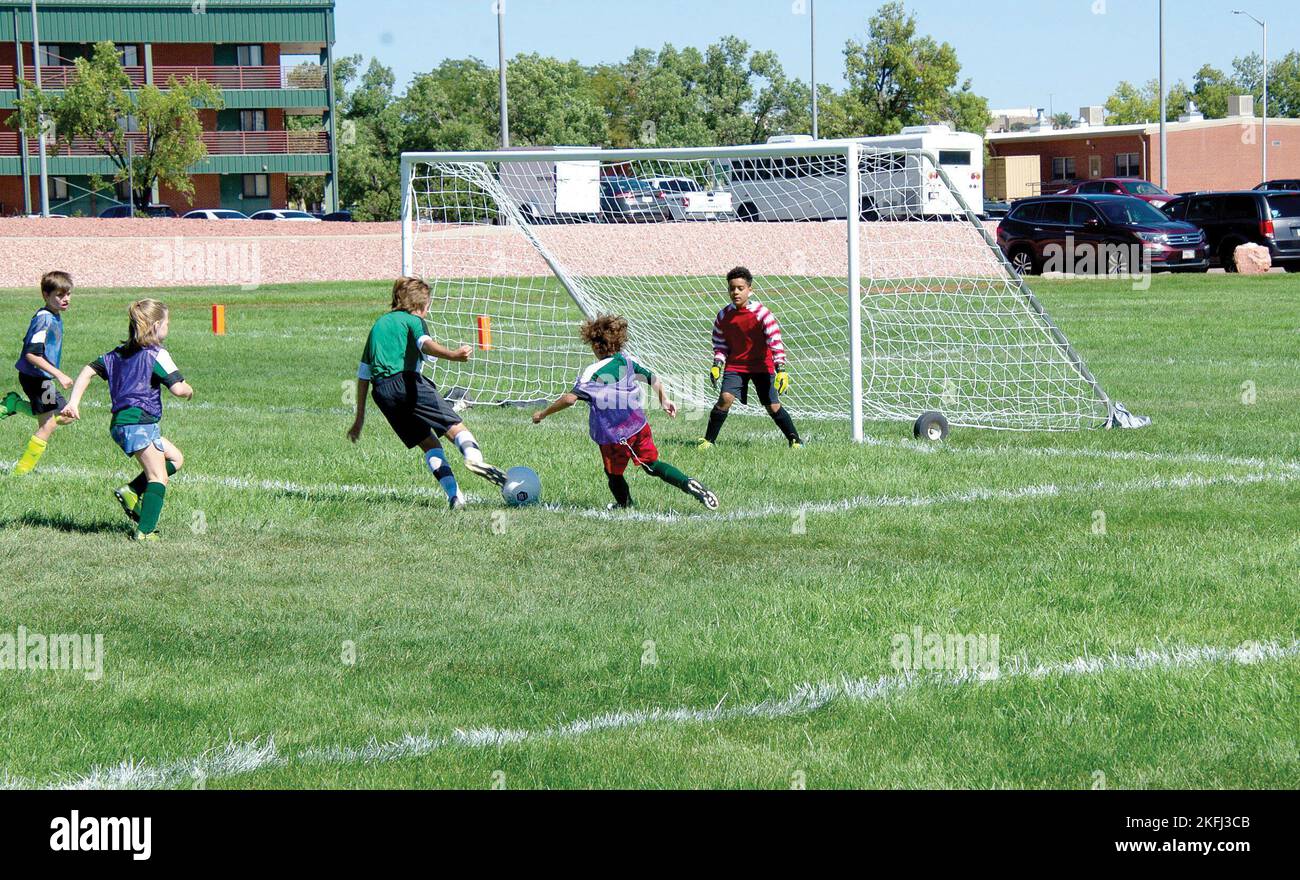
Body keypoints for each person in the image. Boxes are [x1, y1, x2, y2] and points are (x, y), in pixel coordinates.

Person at [347, 276, 506, 509]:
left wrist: (359, 418)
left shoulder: (378, 325)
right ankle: (474, 459)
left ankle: (455, 496)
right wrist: (453, 355)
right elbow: (425, 344)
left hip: (382, 393)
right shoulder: (414, 321)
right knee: (454, 428)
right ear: (422, 306)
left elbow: (363, 376)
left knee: (430, 444)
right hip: (407, 382)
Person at [533, 313, 718, 511]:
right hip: (639, 426)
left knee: (613, 473)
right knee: (653, 464)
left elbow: (570, 399)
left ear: (596, 345)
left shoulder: (592, 373)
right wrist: (664, 400)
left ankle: (624, 504)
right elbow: (652, 378)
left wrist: (543, 414)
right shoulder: (627, 362)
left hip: (615, 436)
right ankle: (687, 482)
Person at [699, 266, 802, 450]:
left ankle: (795, 440)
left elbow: (775, 342)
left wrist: (781, 370)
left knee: (773, 406)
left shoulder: (763, 314)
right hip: (736, 365)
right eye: (732, 288)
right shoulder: (723, 315)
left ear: (750, 290)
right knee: (725, 398)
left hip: (762, 365)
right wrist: (717, 364)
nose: (735, 292)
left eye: (740, 288)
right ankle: (709, 441)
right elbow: (720, 344)